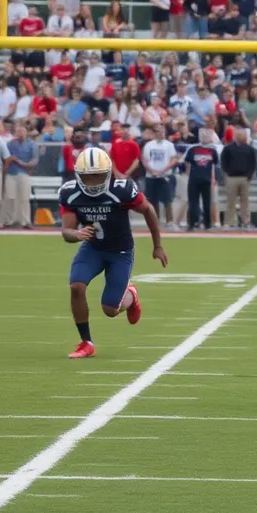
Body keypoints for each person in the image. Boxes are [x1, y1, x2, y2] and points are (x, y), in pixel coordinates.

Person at [60, 147, 169, 359]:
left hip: (120, 251)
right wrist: (77, 233)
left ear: (108, 173)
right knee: (76, 286)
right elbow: (67, 231)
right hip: (93, 248)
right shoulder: (70, 193)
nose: (93, 182)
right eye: (88, 177)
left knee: (110, 309)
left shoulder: (122, 190)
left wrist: (157, 245)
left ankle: (131, 295)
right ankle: (86, 343)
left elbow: (148, 209)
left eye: (98, 176)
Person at [220, 127, 257, 229]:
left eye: (242, 135)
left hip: (245, 178)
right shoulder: (228, 148)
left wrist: (249, 174)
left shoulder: (250, 149)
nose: (241, 136)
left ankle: (246, 222)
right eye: (239, 134)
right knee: (231, 201)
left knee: (245, 201)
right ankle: (229, 222)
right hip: (231, 178)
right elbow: (223, 162)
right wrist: (227, 173)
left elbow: (253, 163)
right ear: (235, 136)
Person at [4, 123, 37, 228]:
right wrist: (10, 160)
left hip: (24, 173)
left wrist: (20, 162)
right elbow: (5, 159)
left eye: (22, 131)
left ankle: (26, 221)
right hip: (11, 173)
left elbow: (34, 161)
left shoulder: (31, 145)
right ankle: (10, 220)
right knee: (10, 197)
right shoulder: (10, 144)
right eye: (18, 131)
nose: (20, 133)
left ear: (26, 132)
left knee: (24, 199)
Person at [183, 137, 218, 230]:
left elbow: (214, 165)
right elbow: (187, 163)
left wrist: (213, 178)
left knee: (207, 202)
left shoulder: (212, 150)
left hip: (207, 179)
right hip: (194, 179)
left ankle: (208, 224)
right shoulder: (193, 149)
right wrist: (188, 174)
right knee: (193, 203)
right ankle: (192, 224)